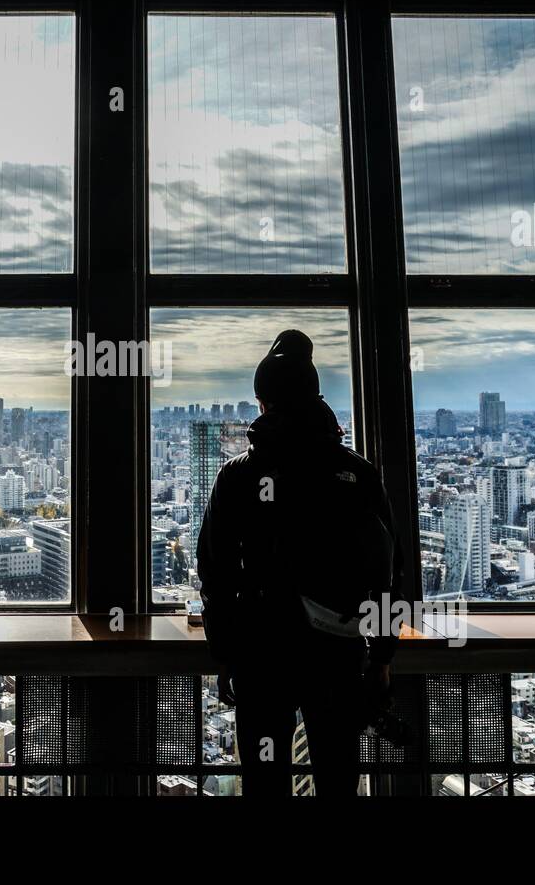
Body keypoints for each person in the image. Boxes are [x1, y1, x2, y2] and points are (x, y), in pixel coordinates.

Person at [196, 329, 403, 796]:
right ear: (317, 399)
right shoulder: (357, 474)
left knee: (266, 784)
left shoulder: (240, 476)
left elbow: (215, 570)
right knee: (336, 778)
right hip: (337, 653)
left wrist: (225, 653)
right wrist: (382, 658)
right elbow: (389, 572)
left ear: (262, 404)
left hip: (259, 654)